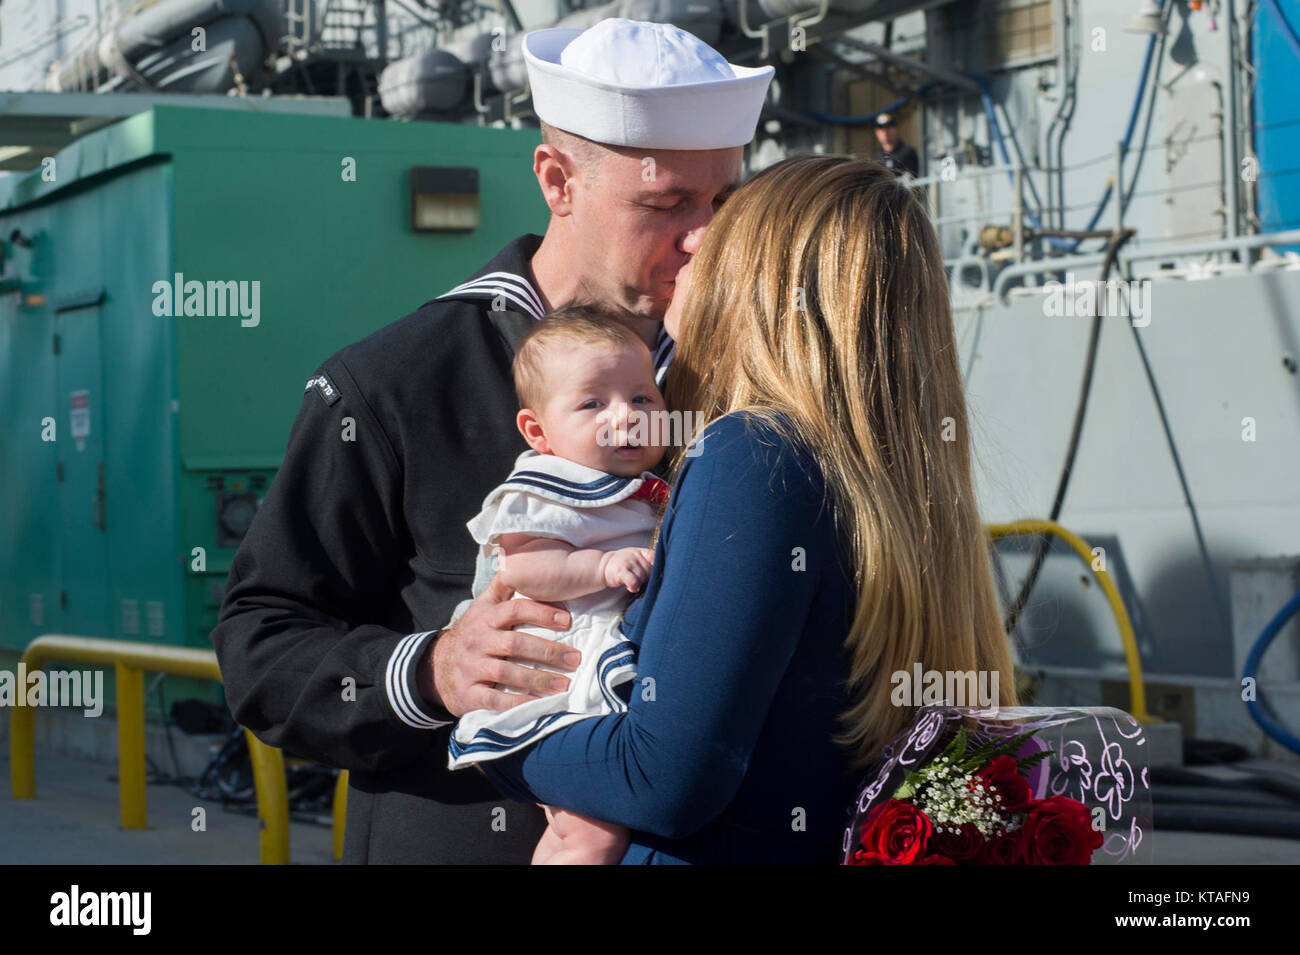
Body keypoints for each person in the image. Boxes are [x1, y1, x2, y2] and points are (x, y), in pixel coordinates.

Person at [208, 18, 773, 864]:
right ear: (557, 179)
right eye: (665, 203)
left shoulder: (744, 380)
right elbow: (259, 641)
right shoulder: (393, 384)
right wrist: (432, 668)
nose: (703, 239)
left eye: (723, 203)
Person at [479, 155, 1020, 864]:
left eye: (724, 224)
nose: (695, 239)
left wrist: (484, 730)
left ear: (762, 279)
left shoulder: (750, 453)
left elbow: (660, 777)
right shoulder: (897, 482)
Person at [447, 305, 670, 864]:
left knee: (586, 829)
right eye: (593, 403)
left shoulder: (637, 486)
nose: (626, 416)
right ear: (539, 432)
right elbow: (524, 570)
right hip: (553, 683)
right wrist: (601, 567)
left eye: (642, 397)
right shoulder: (545, 488)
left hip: (593, 673)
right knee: (594, 834)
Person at [874, 112, 920, 177]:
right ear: (877, 133)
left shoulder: (908, 153)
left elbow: (913, 179)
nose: (885, 132)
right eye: (881, 129)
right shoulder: (878, 157)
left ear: (896, 129)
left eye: (888, 127)